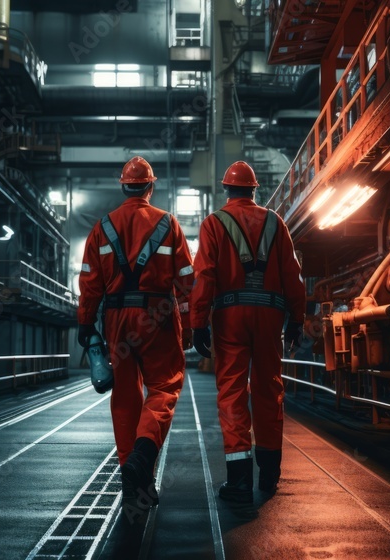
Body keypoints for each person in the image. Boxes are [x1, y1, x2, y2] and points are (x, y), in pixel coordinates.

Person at [77, 156, 194, 514]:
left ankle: (134, 479)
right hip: (157, 314)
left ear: (123, 185)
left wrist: (85, 323)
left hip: (116, 317)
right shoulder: (168, 224)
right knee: (164, 387)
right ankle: (143, 455)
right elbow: (187, 282)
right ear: (150, 186)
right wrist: (189, 327)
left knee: (125, 395)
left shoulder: (102, 227)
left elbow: (89, 282)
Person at [190, 161, 305, 503]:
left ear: (227, 189)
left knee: (232, 392)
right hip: (270, 314)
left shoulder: (214, 223)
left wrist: (198, 323)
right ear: (254, 189)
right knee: (270, 388)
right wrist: (296, 319)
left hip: (231, 316)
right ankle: (269, 477)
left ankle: (239, 481)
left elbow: (205, 276)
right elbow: (293, 275)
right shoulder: (276, 222)